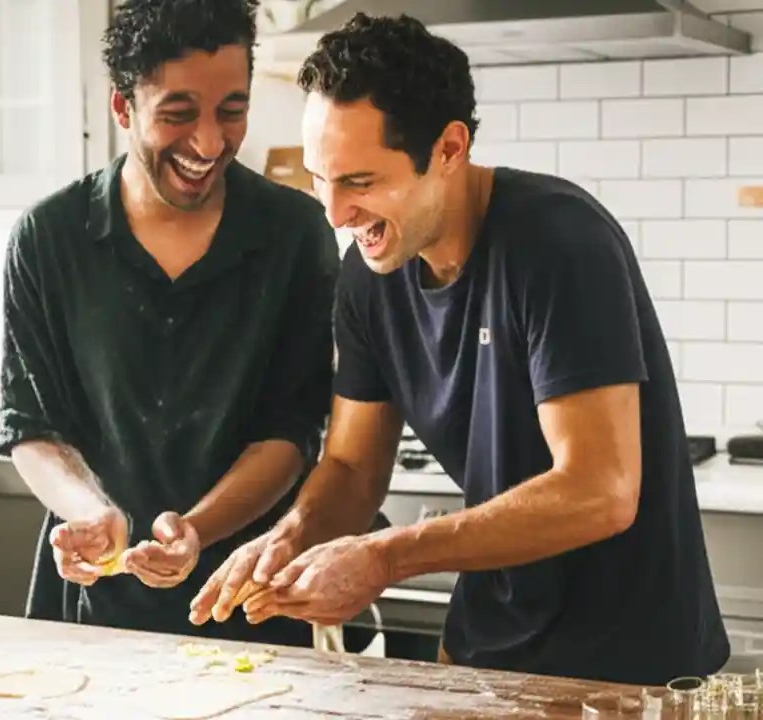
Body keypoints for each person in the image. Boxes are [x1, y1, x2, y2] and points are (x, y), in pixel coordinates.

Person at [190, 13, 729, 686]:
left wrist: (385, 557)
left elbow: (601, 490)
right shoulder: (368, 273)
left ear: (448, 149)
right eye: (319, 179)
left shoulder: (559, 242)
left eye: (359, 182)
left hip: (626, 667)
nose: (334, 214)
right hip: (483, 650)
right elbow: (355, 468)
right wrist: (290, 535)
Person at [0, 0, 353, 649]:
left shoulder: (295, 236)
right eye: (178, 114)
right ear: (123, 108)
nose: (209, 143)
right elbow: (31, 425)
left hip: (251, 607)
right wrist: (90, 512)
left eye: (232, 110)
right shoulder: (48, 240)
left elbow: (291, 431)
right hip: (91, 613)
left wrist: (197, 529)